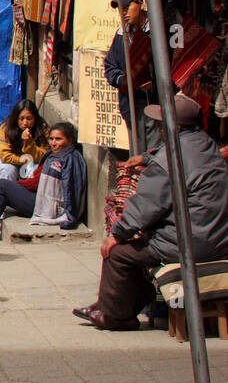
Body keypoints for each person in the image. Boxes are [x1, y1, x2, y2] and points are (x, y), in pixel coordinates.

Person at [74, 94, 228, 330]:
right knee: (137, 244)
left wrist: (117, 234)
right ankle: (107, 305)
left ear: (174, 126)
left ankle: (116, 317)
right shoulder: (206, 144)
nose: (157, 127)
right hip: (217, 238)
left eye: (160, 123)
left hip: (189, 242)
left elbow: (146, 205)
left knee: (119, 253)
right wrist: (146, 157)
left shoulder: (170, 158)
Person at [0, 122, 86, 242]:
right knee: (3, 187)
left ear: (70, 140)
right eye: (51, 139)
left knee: (2, 185)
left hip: (50, 207)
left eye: (58, 139)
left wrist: (16, 186)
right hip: (42, 199)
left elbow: (68, 189)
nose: (53, 143)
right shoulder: (55, 155)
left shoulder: (68, 159)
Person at [103, 0, 159, 151]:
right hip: (132, 104)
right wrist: (124, 80)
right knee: (136, 153)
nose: (123, 13)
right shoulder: (121, 35)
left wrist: (153, 83)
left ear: (140, 4)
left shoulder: (157, 31)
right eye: (120, 8)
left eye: (127, 7)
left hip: (155, 104)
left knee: (155, 155)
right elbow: (110, 67)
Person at [0, 99, 49, 181]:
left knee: (35, 172)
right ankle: (5, 192)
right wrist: (23, 160)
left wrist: (29, 143)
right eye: (21, 119)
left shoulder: (42, 128)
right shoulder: (6, 128)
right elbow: (5, 155)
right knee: (9, 170)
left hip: (33, 161)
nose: (25, 123)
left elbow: (44, 155)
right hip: (11, 160)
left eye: (29, 118)